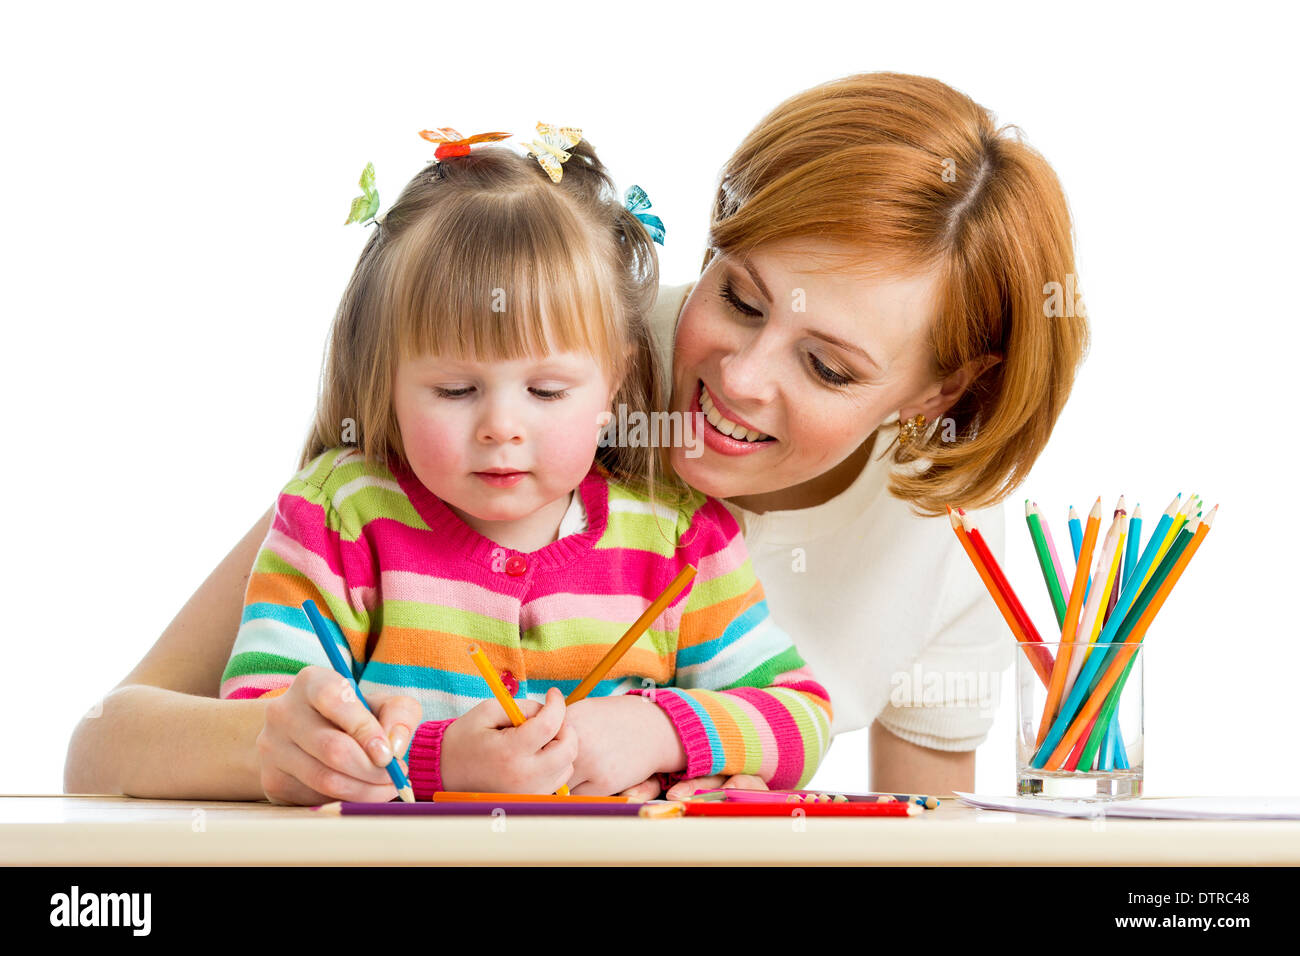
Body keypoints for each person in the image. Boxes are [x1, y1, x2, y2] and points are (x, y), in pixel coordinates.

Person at [65, 72, 1088, 803]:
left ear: (939, 389)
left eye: (828, 366)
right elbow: (111, 745)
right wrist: (316, 750)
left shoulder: (944, 541)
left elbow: (918, 838)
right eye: (735, 294)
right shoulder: (534, 350)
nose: (737, 377)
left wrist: (659, 730)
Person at [213, 132, 831, 804]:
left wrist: (657, 730)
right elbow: (272, 725)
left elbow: (800, 717)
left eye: (546, 392)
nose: (501, 427)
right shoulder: (341, 519)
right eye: (456, 390)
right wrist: (437, 762)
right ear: (385, 378)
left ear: (615, 382)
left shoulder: (680, 542)